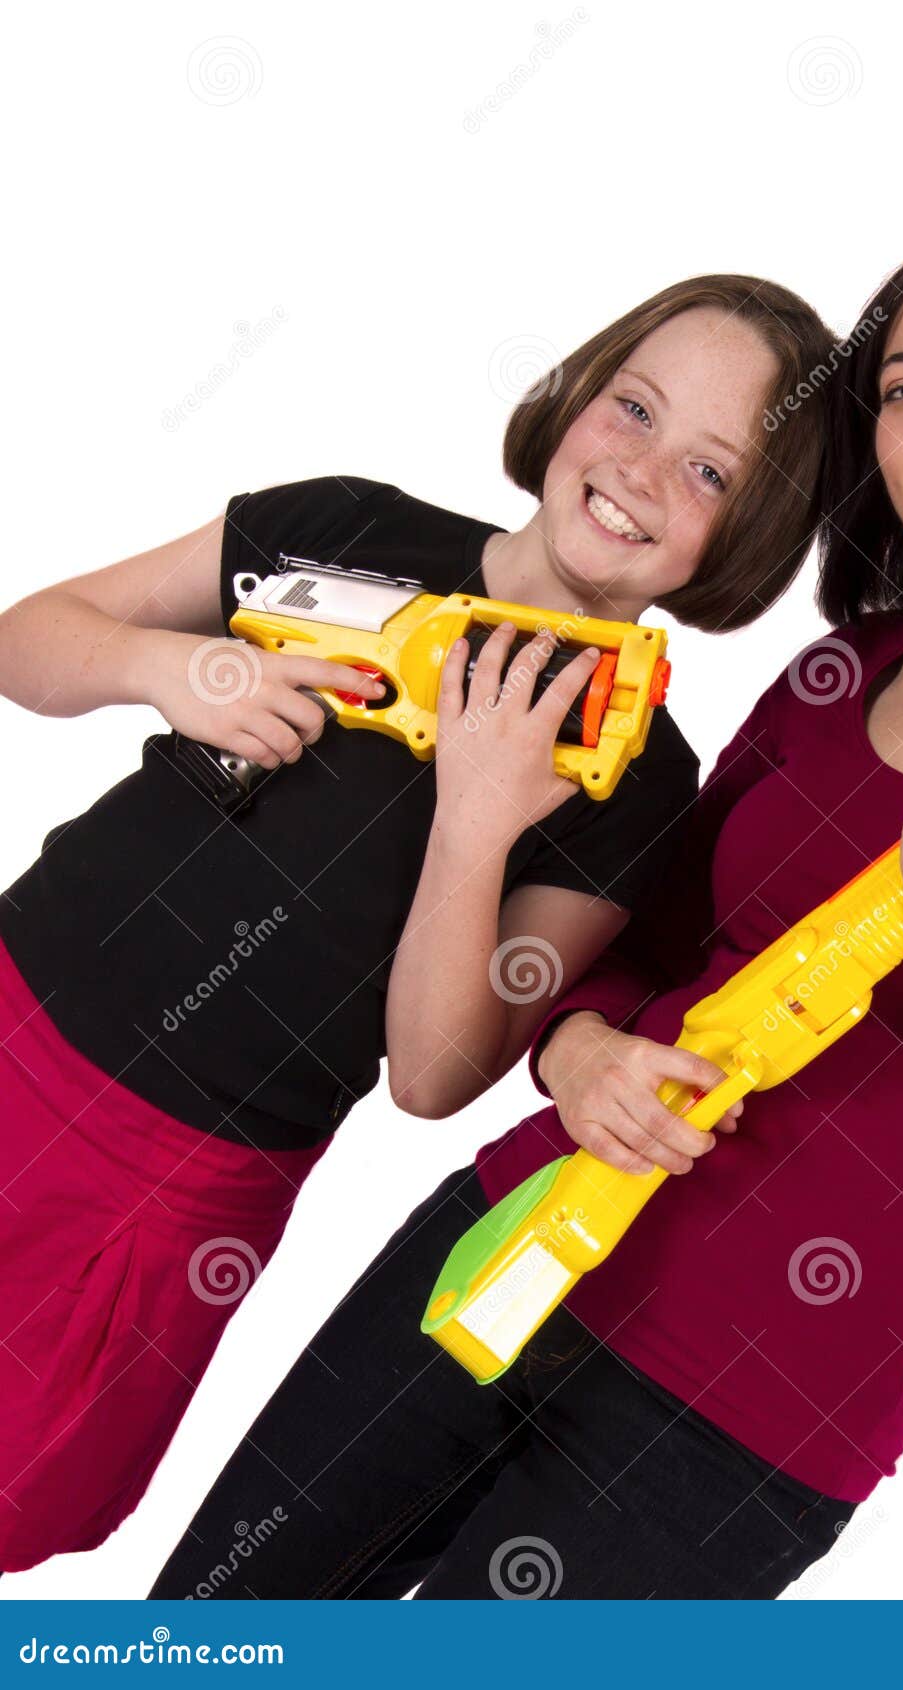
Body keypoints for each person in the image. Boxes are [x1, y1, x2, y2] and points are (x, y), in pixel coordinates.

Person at [150, 222, 903, 1602]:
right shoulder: (847, 666)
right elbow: (635, 943)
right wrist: (578, 1054)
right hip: (511, 1246)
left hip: (737, 1436)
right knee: (200, 1629)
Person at [0, 274, 835, 1576]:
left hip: (185, 1181)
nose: (641, 469)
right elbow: (30, 638)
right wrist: (174, 667)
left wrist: (480, 814)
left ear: (742, 543)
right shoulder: (344, 525)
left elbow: (437, 1074)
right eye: (632, 406)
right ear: (575, 388)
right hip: (14, 1004)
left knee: (27, 1482)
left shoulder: (638, 778)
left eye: (712, 471)